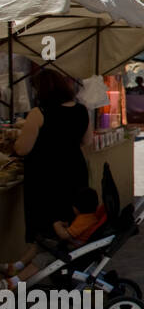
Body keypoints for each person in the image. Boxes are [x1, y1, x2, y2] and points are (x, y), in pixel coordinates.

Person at [13, 68, 91, 243]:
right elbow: (87, 141)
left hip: (46, 178)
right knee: (70, 220)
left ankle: (42, 263)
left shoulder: (38, 113)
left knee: (45, 227)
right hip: (74, 171)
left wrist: (16, 142)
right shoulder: (82, 110)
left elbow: (22, 149)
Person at [4, 186, 105, 289]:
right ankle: (16, 266)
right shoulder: (90, 218)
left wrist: (56, 224)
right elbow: (75, 231)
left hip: (71, 251)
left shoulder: (83, 220)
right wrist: (66, 225)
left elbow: (64, 235)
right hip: (71, 246)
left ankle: (13, 282)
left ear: (76, 207)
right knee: (37, 246)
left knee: (42, 258)